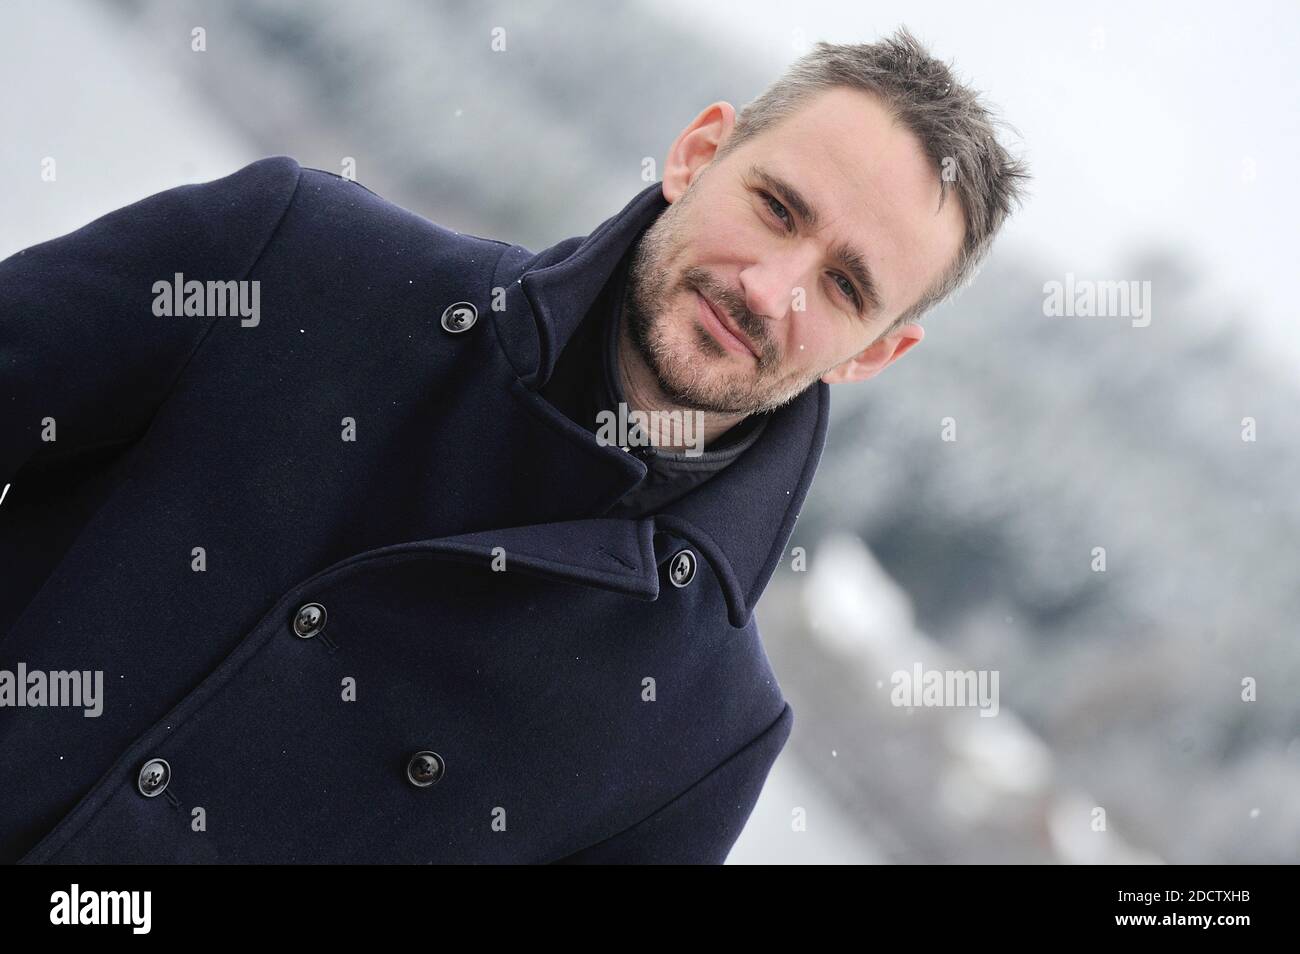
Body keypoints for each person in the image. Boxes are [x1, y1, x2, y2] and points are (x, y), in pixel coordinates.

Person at [0, 28, 1027, 864]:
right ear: (699, 153)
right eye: (774, 208)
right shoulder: (292, 256)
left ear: (876, 353)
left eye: (843, 286)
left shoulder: (705, 735)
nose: (767, 289)